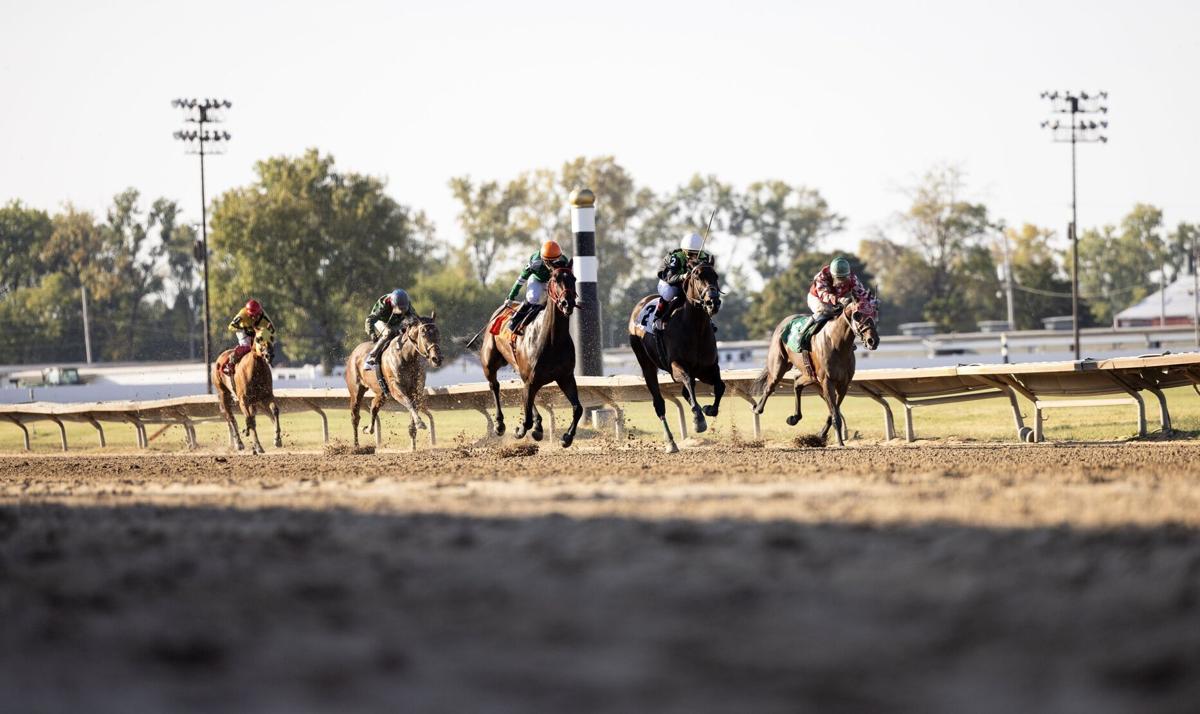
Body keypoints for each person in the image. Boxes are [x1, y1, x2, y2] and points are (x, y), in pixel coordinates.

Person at [798, 256, 870, 372]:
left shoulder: (852, 277)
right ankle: (802, 334)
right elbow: (824, 295)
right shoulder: (821, 277)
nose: (842, 281)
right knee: (824, 311)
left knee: (846, 315)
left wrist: (868, 301)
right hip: (817, 298)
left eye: (844, 278)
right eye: (839, 278)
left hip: (837, 300)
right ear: (832, 275)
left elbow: (861, 292)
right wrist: (839, 300)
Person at [504, 240, 571, 333]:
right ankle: (515, 320)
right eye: (549, 262)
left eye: (554, 260)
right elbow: (521, 279)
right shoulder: (535, 262)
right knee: (533, 298)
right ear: (543, 259)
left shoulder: (563, 260)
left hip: (553, 281)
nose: (552, 264)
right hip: (537, 279)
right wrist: (511, 297)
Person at [653, 232, 714, 331]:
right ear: (684, 251)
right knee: (669, 293)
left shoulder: (704, 257)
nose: (694, 257)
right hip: (668, 280)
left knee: (702, 295)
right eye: (690, 253)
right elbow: (669, 277)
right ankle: (658, 317)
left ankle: (708, 320)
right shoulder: (676, 257)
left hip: (687, 283)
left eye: (696, 253)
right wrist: (683, 276)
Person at [363, 289, 420, 397]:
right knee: (388, 332)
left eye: (403, 309)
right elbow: (369, 320)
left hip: (397, 322)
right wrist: (372, 333)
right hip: (381, 321)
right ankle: (372, 356)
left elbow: (416, 319)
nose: (402, 311)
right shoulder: (383, 305)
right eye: (400, 309)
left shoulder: (407, 304)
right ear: (392, 304)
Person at [224, 299, 276, 375]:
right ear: (248, 313)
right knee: (247, 347)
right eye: (253, 315)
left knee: (265, 342)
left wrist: (267, 337)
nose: (256, 317)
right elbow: (231, 327)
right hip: (242, 330)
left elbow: (272, 331)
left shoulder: (263, 317)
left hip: (256, 330)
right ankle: (231, 364)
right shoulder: (242, 315)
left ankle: (268, 359)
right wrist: (244, 328)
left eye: (258, 315)